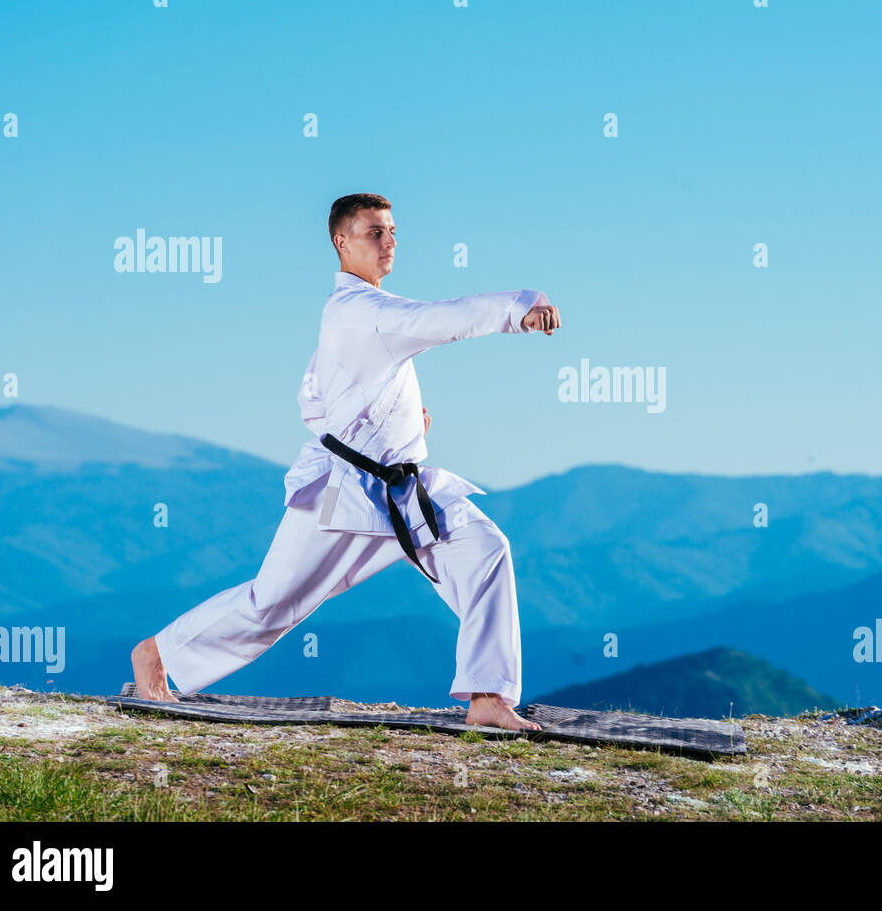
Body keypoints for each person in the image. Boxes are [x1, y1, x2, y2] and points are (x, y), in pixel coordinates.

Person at [130, 192, 560, 731]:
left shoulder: (358, 314)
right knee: (271, 605)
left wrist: (395, 427)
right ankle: (158, 654)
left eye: (394, 233)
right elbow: (444, 319)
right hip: (347, 496)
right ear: (342, 242)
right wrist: (521, 306)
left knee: (485, 549)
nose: (389, 243)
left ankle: (488, 696)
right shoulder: (363, 312)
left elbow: (313, 396)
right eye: (375, 233)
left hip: (400, 489)